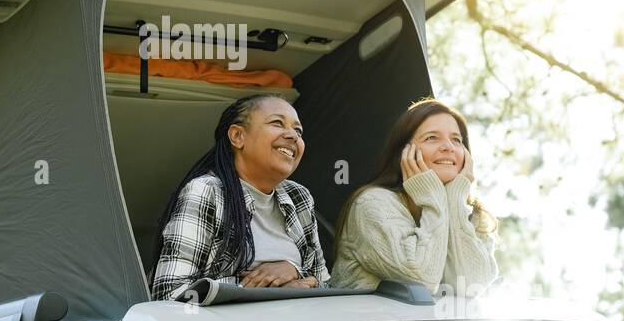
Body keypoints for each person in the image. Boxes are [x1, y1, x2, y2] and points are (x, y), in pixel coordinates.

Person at [150, 94, 329, 301]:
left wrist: (293, 269)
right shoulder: (206, 191)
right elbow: (169, 294)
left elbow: (324, 284)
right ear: (237, 137)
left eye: (298, 130)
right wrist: (269, 290)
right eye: (277, 123)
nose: (293, 136)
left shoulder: (299, 197)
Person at [330, 98, 498, 296]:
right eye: (432, 138)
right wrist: (432, 197)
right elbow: (422, 281)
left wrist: (454, 202)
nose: (448, 147)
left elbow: (472, 286)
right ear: (404, 153)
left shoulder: (471, 214)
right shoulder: (372, 204)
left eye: (456, 140)